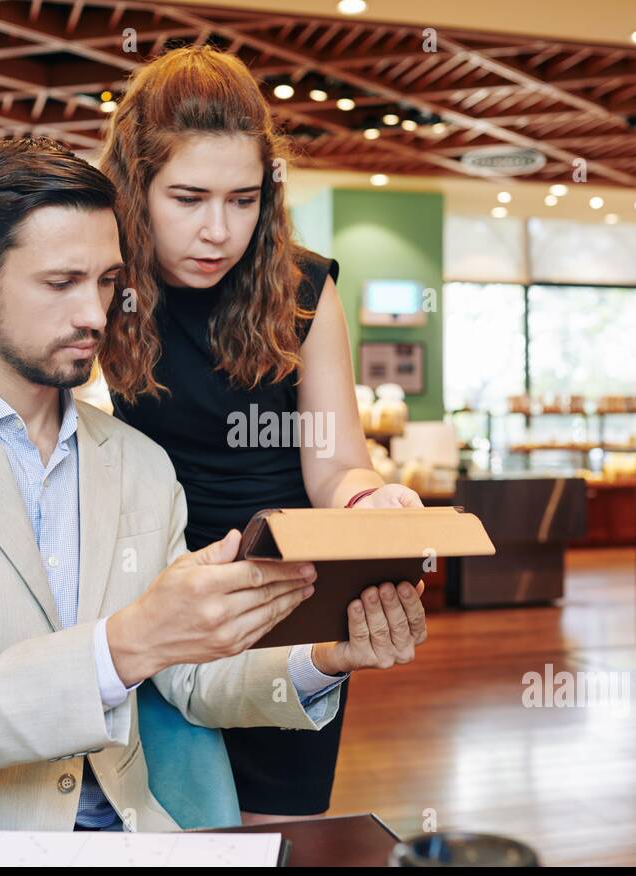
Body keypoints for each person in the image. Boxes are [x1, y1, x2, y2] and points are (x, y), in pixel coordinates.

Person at [0, 137, 427, 864]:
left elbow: (191, 678)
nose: (95, 313)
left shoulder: (138, 464)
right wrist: (127, 642)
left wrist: (327, 654)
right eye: (61, 282)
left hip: (123, 838)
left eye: (105, 282)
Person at [100, 47, 426, 825]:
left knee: (278, 828)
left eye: (243, 200)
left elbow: (335, 463)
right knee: (172, 822)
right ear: (134, 187)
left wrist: (373, 501)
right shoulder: (105, 284)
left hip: (287, 605)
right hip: (159, 595)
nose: (219, 230)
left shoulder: (303, 289)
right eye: (188, 197)